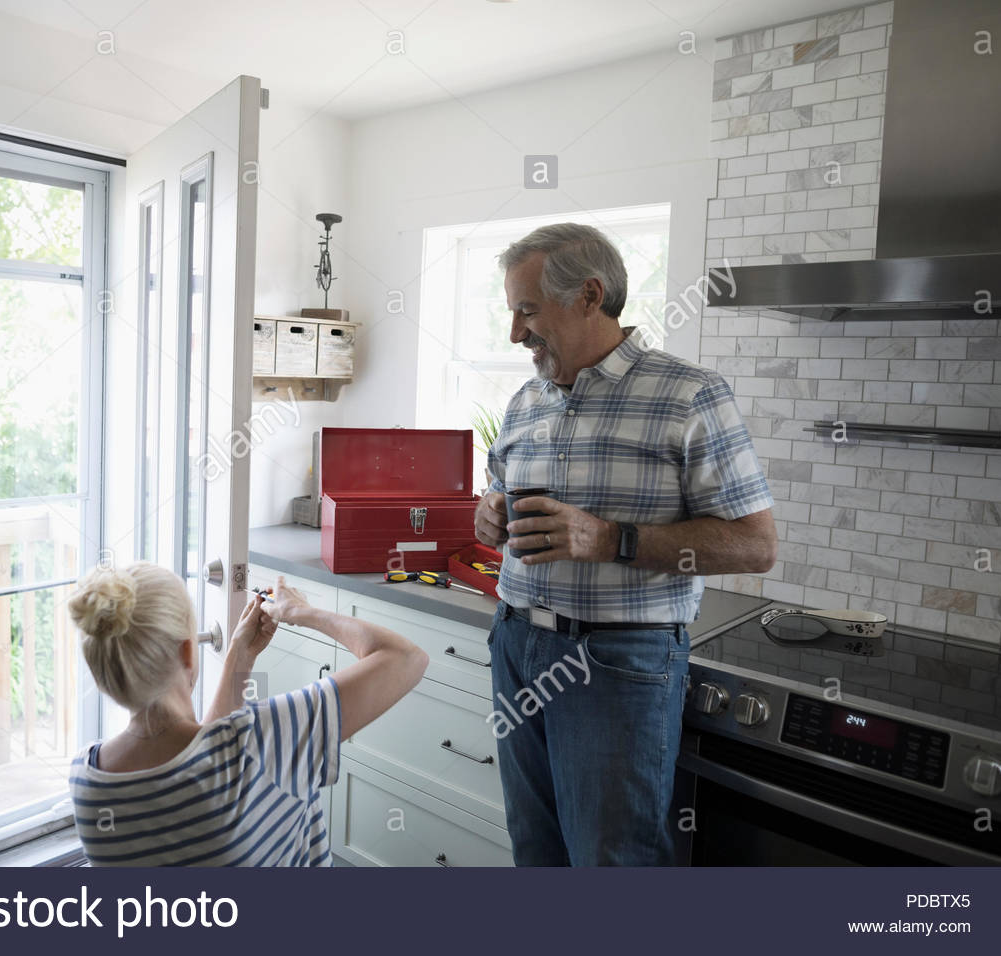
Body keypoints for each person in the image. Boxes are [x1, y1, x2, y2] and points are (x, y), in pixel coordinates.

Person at [474, 222, 777, 866]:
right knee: (536, 856)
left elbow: (754, 547)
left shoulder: (689, 395)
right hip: (516, 644)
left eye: (527, 310)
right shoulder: (528, 399)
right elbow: (496, 491)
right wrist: (489, 513)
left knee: (612, 866)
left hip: (615, 660)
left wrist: (610, 539)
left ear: (588, 295)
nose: (515, 333)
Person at [66, 565, 428, 866]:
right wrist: (303, 613)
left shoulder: (87, 780)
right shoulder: (269, 738)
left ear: (103, 676)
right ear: (188, 653)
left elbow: (200, 761)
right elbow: (405, 658)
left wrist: (240, 658)